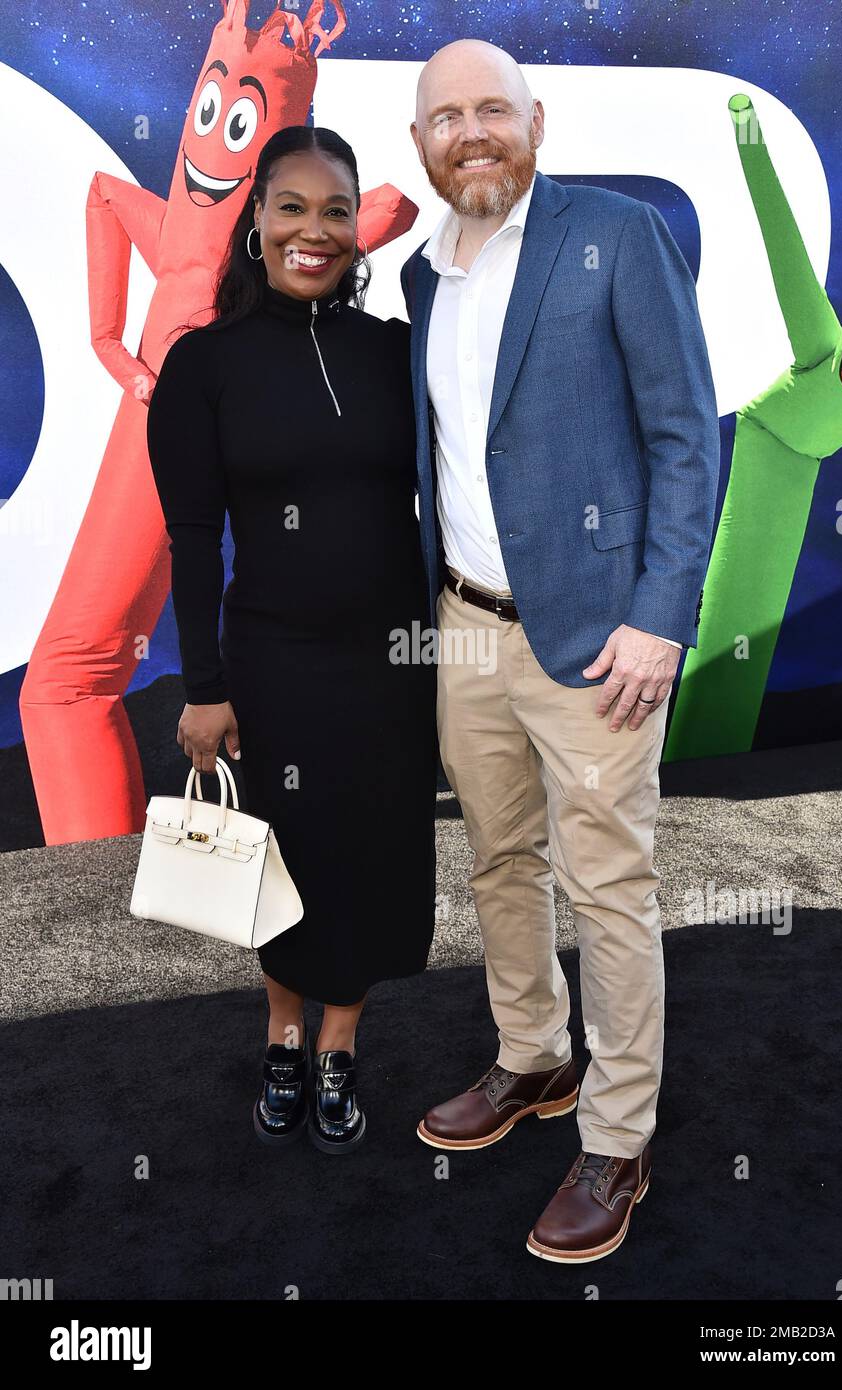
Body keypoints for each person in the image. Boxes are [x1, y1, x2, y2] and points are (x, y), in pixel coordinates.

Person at [401, 40, 720, 1259]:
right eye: (447, 117)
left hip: (600, 642)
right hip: (466, 628)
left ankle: (618, 1134)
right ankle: (533, 1058)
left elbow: (687, 437)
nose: (471, 132)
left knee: (610, 887)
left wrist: (662, 615)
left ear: (538, 120)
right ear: (421, 143)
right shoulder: (423, 274)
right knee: (496, 860)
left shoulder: (617, 236)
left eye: (493, 109)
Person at [146, 125, 437, 1155]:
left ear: (361, 229)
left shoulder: (398, 351)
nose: (314, 230)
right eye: (293, 207)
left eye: (336, 210)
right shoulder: (204, 364)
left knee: (369, 853)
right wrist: (204, 685)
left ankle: (339, 1047)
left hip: (396, 660)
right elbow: (190, 537)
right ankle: (281, 1032)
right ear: (255, 220)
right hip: (272, 664)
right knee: (288, 854)